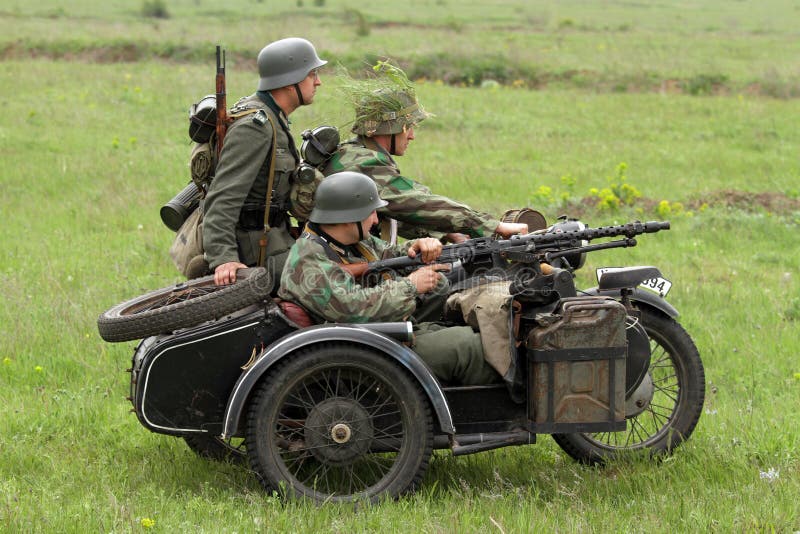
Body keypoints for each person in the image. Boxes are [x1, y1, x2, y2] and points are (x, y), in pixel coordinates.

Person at [278, 171, 500, 385]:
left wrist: (418, 247)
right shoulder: (308, 260)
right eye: (371, 212)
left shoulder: (349, 239)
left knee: (448, 299)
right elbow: (353, 307)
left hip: (374, 336)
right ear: (348, 218)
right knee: (468, 346)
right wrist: (411, 286)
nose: (376, 220)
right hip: (358, 353)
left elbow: (388, 254)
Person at [321, 62, 527, 243]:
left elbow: (391, 212)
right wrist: (492, 226)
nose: (412, 136)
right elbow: (413, 201)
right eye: (409, 127)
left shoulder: (357, 154)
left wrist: (444, 233)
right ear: (392, 128)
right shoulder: (360, 162)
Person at [202, 37, 326, 287]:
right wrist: (224, 258)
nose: (318, 81)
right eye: (311, 74)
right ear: (290, 81)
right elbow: (223, 195)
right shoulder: (255, 127)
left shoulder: (273, 117)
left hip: (276, 238)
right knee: (335, 282)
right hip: (258, 252)